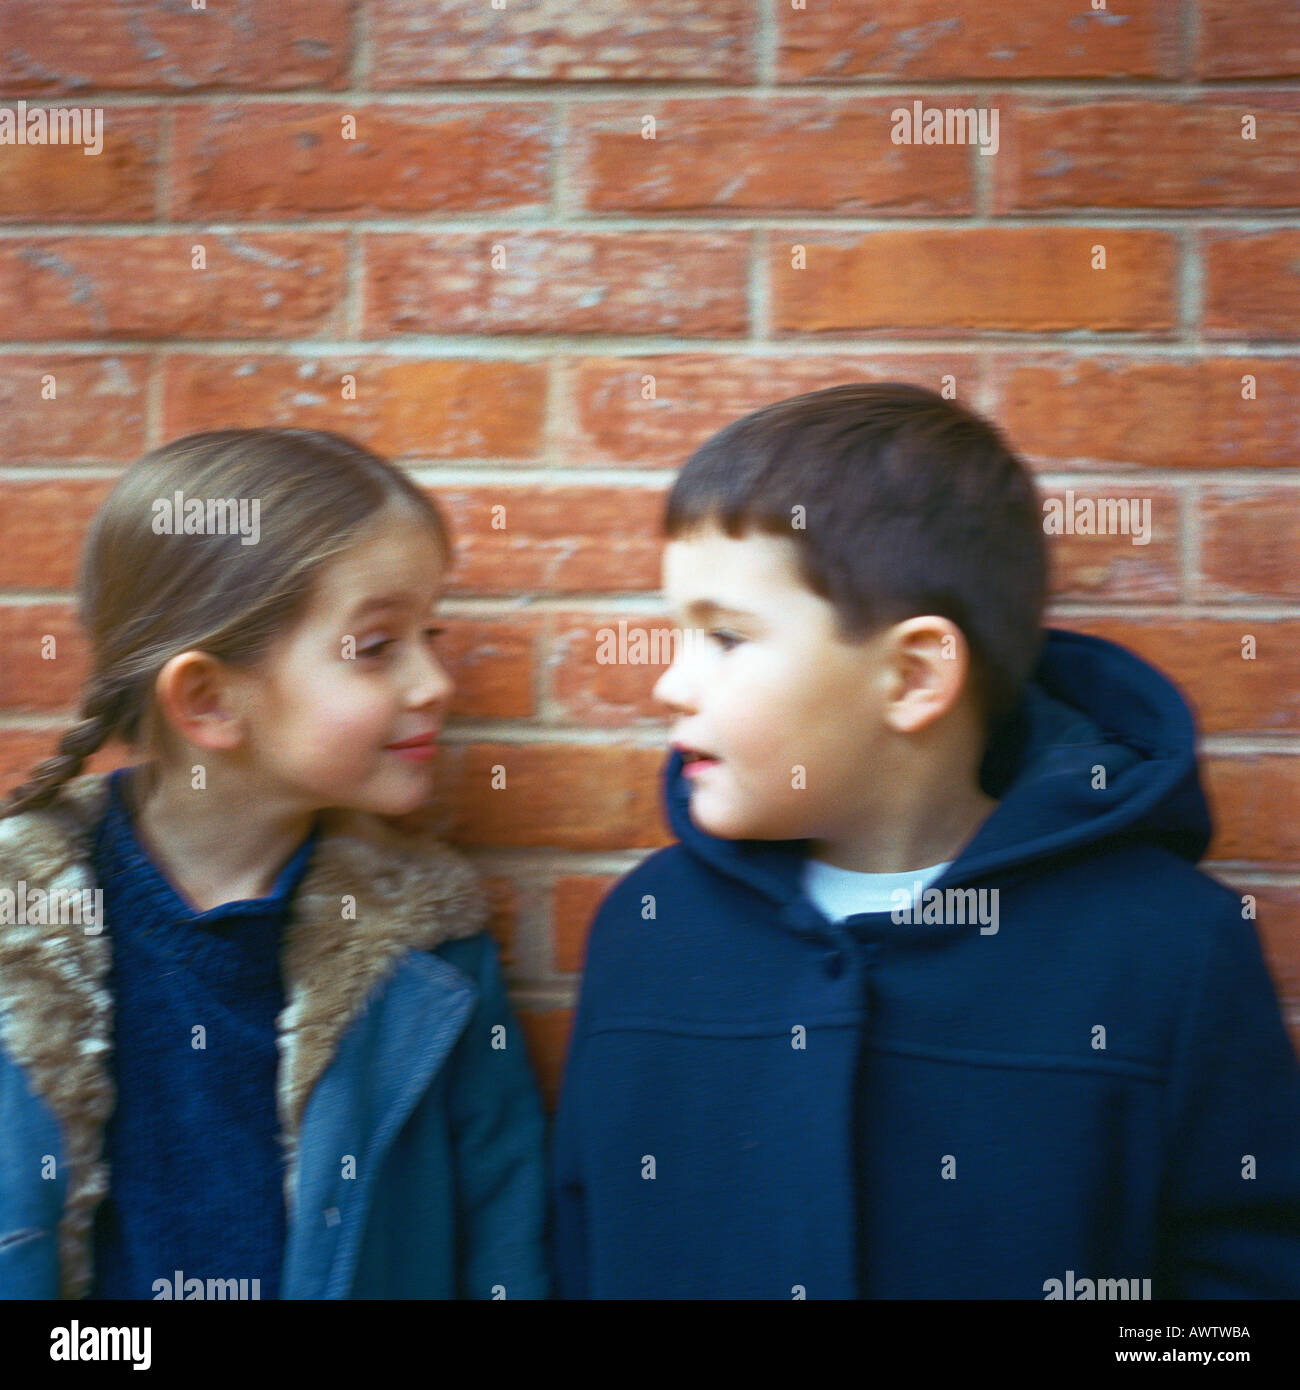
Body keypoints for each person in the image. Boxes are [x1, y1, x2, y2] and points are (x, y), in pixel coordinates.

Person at [552, 381, 1300, 1299]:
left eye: (726, 637)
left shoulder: (1169, 950)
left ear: (910, 675)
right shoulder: (649, 930)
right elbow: (578, 1247)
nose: (670, 683)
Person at [0, 428, 549, 1300]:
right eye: (378, 647)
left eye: (430, 635)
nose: (435, 681)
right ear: (210, 699)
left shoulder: (433, 955)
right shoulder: (16, 938)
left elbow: (504, 1244)